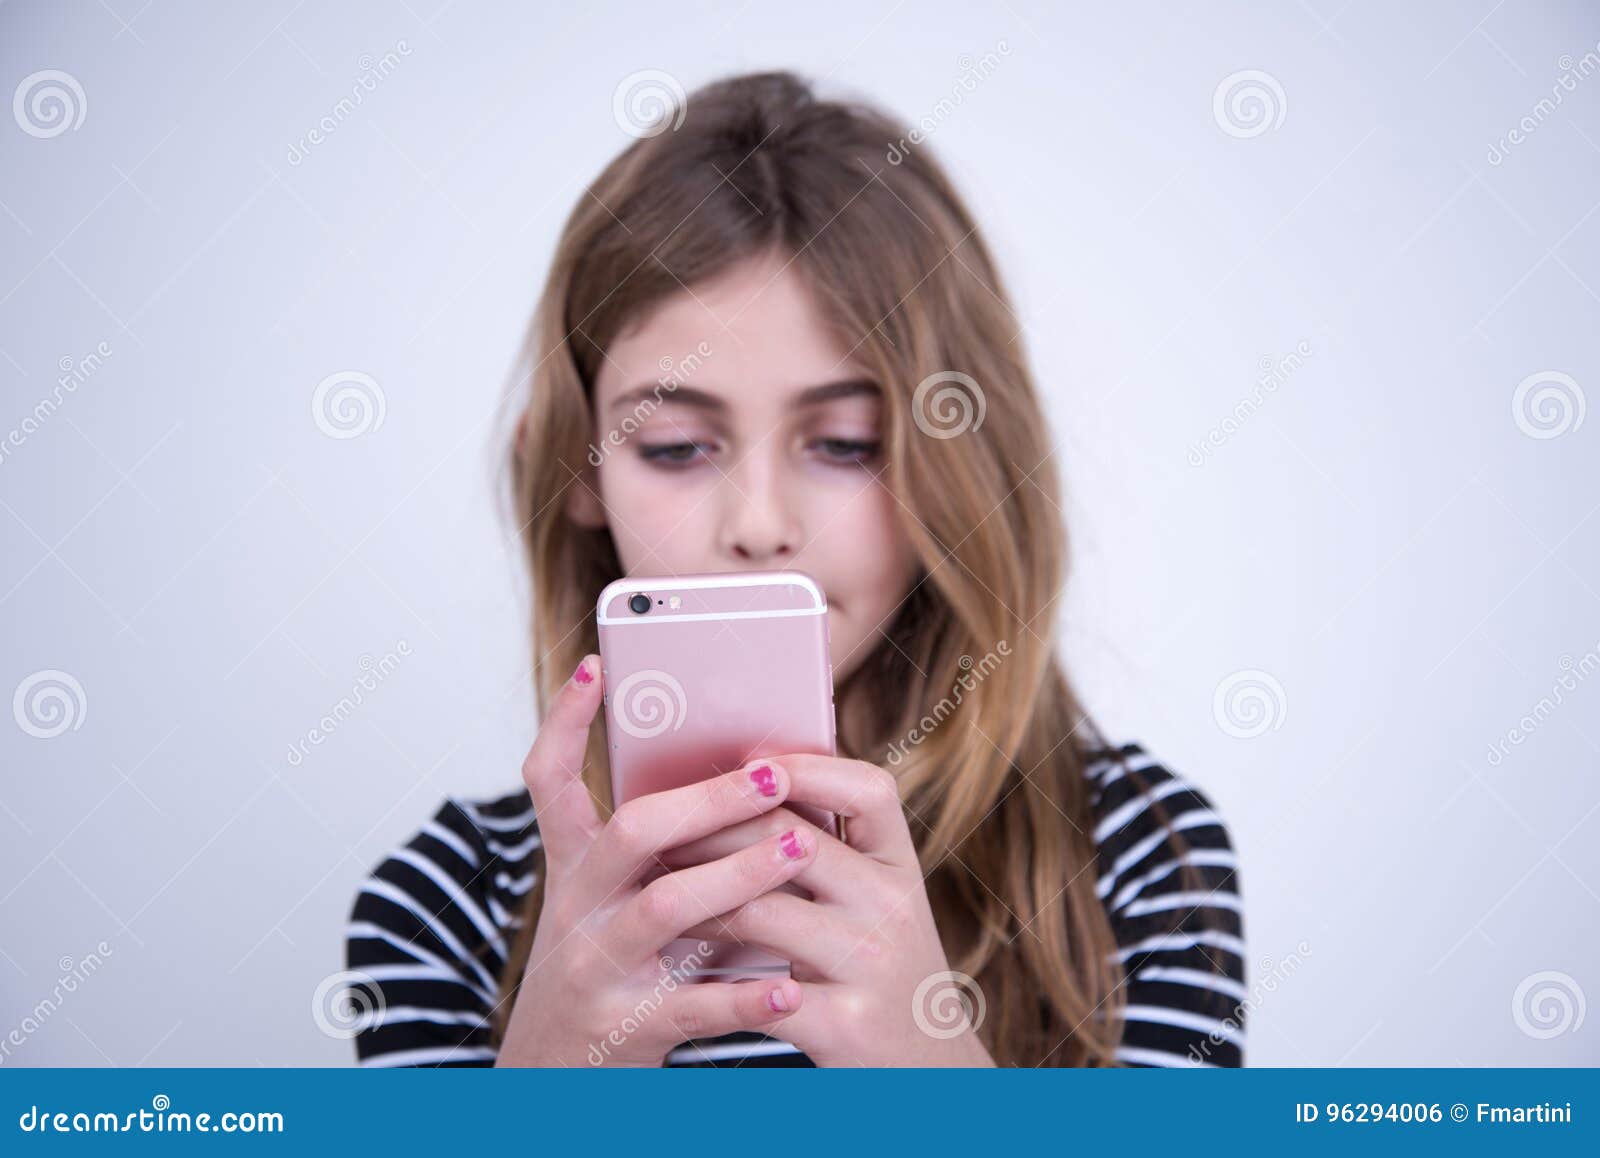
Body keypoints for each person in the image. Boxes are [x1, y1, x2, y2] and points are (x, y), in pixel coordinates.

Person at [344, 69, 1244, 1068]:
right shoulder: (443, 906)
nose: (760, 525)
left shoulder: (1142, 859)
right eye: (676, 446)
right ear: (576, 471)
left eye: (846, 444)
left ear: (961, 463)